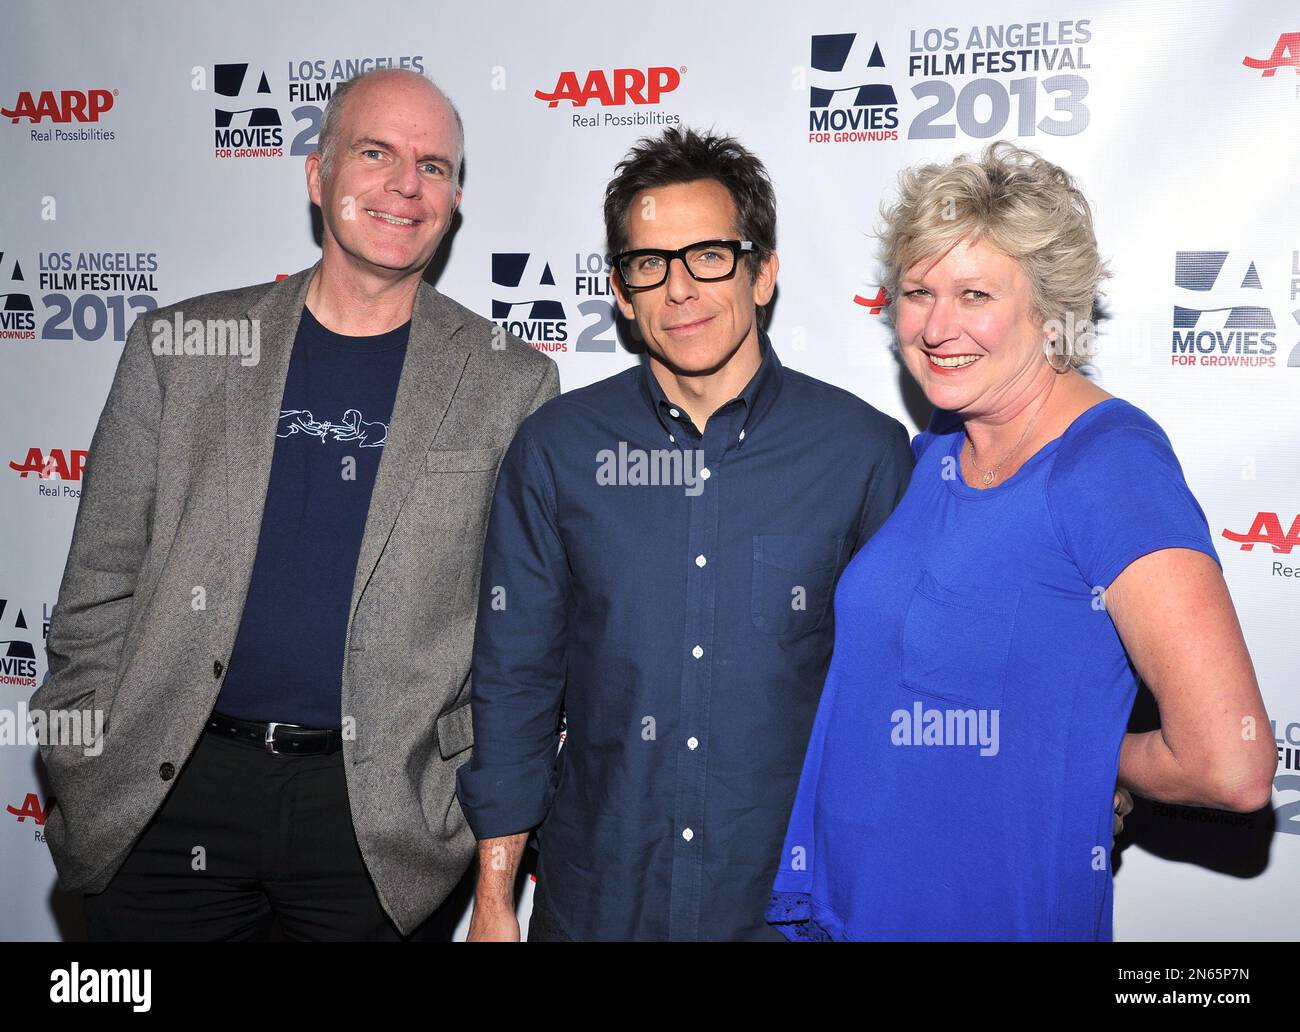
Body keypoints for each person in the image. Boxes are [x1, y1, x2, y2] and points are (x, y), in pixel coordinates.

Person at [32, 67, 558, 940]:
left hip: (380, 824)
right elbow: (97, 589)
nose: (405, 184)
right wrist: (85, 759)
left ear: (455, 199)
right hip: (167, 800)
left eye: (434, 166)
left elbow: (517, 641)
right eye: (376, 152)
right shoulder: (182, 348)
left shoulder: (511, 381)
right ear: (318, 176)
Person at [767, 140, 1275, 941]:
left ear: (1052, 311)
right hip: (864, 898)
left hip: (989, 908)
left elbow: (1232, 764)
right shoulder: (936, 447)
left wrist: (1095, 757)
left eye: (975, 293)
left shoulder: (1109, 466)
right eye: (917, 291)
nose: (937, 326)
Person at [454, 127, 914, 941]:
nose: (680, 290)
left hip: (789, 907)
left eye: (709, 256)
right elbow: (516, 682)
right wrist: (494, 899)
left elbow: (906, 691)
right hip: (600, 900)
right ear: (621, 292)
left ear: (762, 272)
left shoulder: (862, 454)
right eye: (649, 264)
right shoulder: (558, 450)